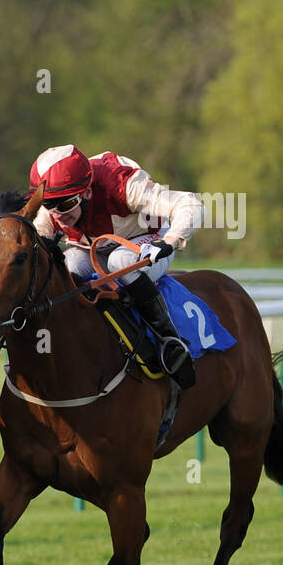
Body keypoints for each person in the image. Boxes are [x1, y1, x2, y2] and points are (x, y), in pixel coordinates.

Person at [29, 144, 203, 388]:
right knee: (65, 268)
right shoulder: (58, 203)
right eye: (49, 205)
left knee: (120, 261)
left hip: (147, 240)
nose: (57, 214)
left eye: (66, 204)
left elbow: (190, 203)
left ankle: (170, 342)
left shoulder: (121, 183)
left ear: (87, 192)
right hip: (95, 248)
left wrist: (171, 241)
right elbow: (37, 240)